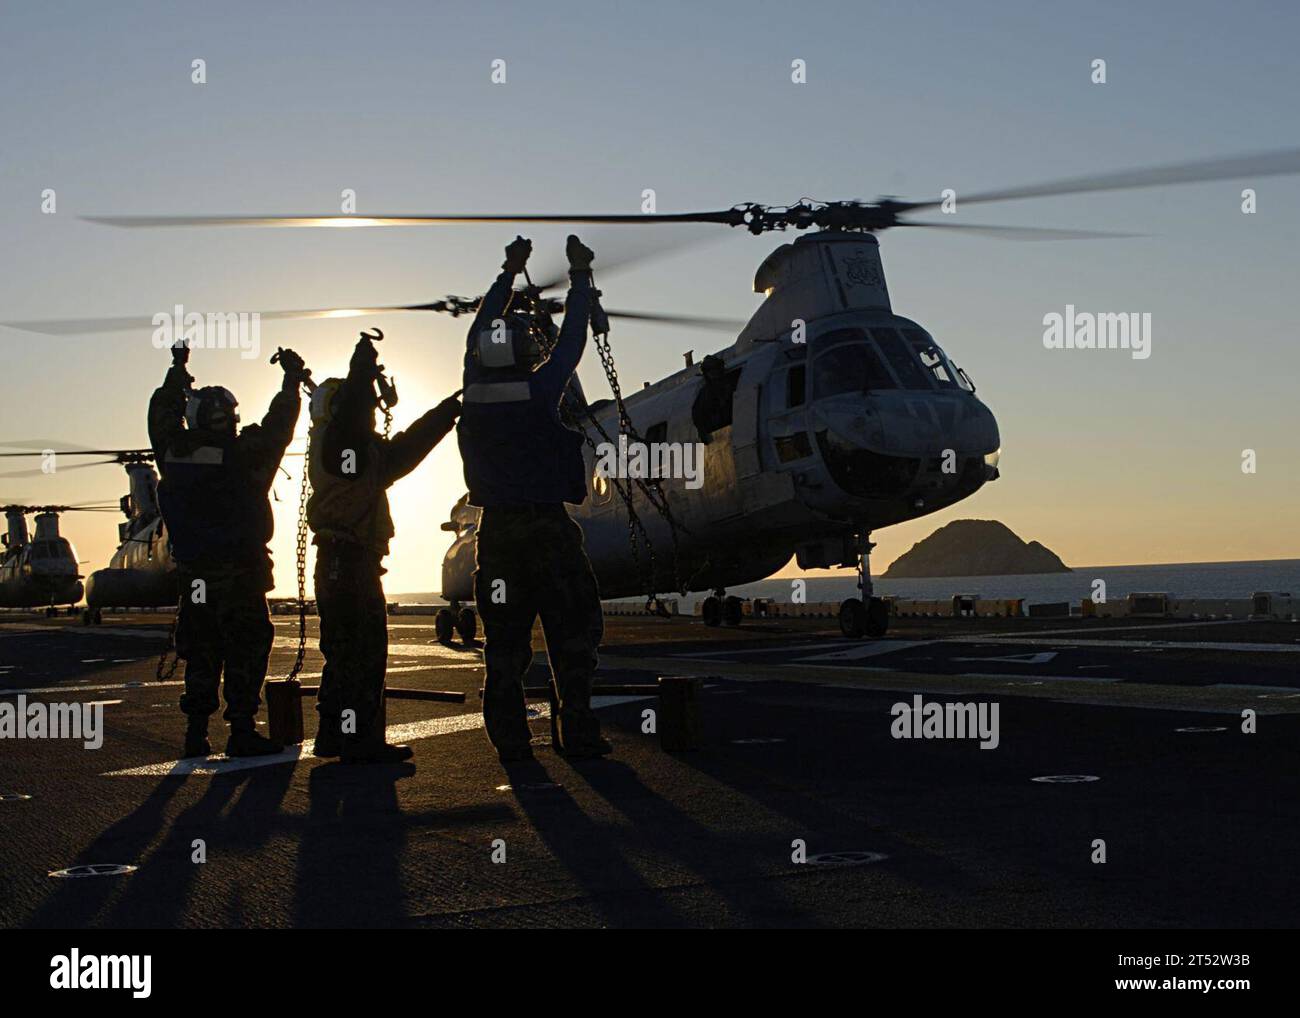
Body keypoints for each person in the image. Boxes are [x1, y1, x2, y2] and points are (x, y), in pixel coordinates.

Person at [457, 234, 611, 763]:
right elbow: (571, 340)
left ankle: (512, 743)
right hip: (548, 531)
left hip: (495, 536)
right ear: (526, 352)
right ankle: (579, 734)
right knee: (573, 636)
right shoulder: (541, 389)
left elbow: (480, 327)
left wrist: (508, 270)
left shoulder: (472, 388)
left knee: (504, 646)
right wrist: (580, 279)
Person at [307, 330, 461, 764]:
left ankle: (334, 735)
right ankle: (359, 741)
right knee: (363, 655)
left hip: (342, 562)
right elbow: (357, 415)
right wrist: (363, 365)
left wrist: (446, 412)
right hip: (348, 562)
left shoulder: (355, 457)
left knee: (342, 653)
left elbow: (406, 451)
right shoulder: (343, 448)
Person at [148, 340, 306, 758]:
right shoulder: (245, 456)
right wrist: (290, 382)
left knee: (201, 650)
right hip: (240, 574)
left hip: (195, 576)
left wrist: (177, 372)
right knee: (246, 648)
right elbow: (279, 426)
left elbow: (160, 413)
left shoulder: (172, 454)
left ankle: (195, 732)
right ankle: (240, 729)